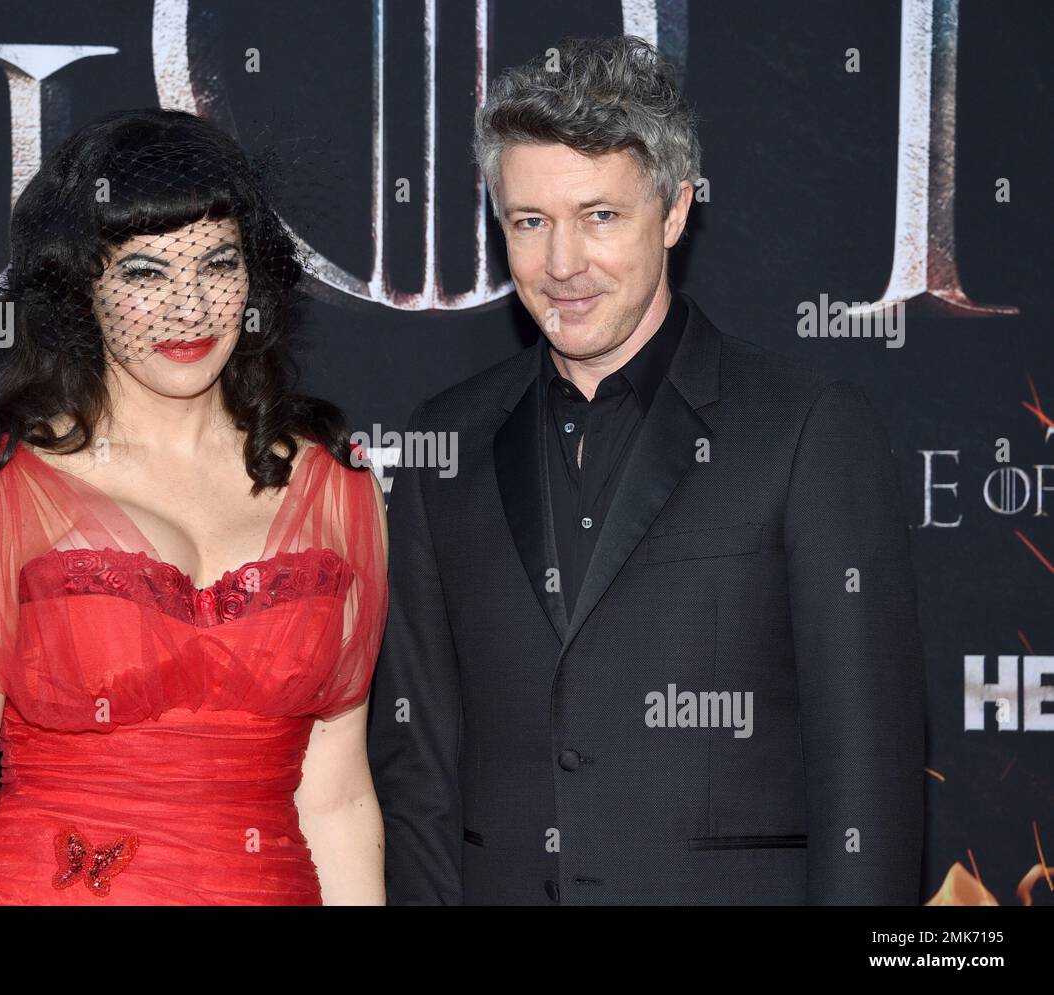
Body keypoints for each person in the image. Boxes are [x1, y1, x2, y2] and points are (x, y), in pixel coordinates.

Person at [367, 34, 926, 904]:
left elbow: (870, 778)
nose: (562, 265)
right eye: (530, 222)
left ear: (673, 212)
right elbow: (421, 775)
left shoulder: (806, 430)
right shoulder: (447, 443)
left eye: (600, 216)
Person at [0, 108, 388, 905]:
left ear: (255, 275)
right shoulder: (1, 495)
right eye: (145, 273)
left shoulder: (339, 492)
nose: (190, 306)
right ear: (80, 287)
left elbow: (338, 798)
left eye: (218, 264)